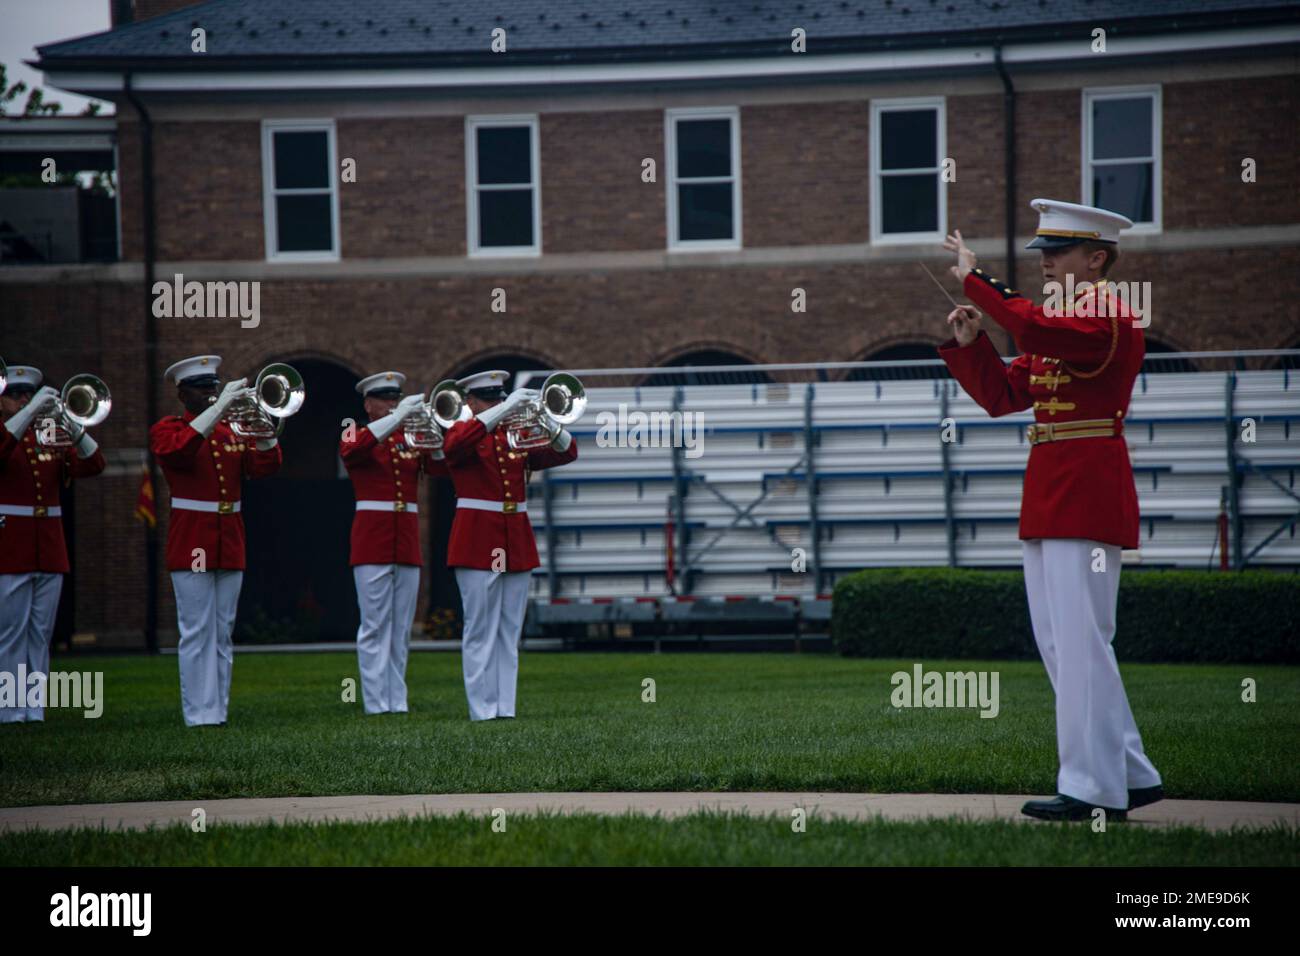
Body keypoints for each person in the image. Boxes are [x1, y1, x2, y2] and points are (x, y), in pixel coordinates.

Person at [938, 198, 1163, 822]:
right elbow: (1008, 394)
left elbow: (1033, 328)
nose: (1047, 264)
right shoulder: (1065, 323)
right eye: (1045, 254)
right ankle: (1130, 771)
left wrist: (975, 280)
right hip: (1053, 489)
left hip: (1087, 490)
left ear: (1097, 259)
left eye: (1059, 254)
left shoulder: (1110, 317)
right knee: (1064, 644)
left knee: (1082, 641)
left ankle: (1093, 788)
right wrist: (974, 343)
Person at [150, 355, 282, 726]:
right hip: (192, 537)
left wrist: (265, 428)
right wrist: (221, 406)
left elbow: (265, 467)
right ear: (182, 393)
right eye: (202, 388)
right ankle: (198, 713)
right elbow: (178, 453)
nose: (210, 393)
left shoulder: (230, 433)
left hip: (230, 537)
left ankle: (218, 709)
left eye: (214, 387)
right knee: (196, 630)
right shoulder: (169, 428)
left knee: (222, 630)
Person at [441, 371, 578, 721]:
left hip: (514, 535)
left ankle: (504, 706)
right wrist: (501, 412)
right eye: (488, 400)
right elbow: (453, 448)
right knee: (480, 629)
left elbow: (567, 452)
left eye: (498, 398)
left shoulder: (514, 436)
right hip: (477, 537)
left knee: (508, 630)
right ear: (471, 402)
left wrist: (547, 420)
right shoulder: (465, 431)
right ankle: (481, 709)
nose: (496, 404)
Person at [0, 366, 105, 722]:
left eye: (28, 394)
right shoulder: (6, 434)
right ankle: (10, 710)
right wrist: (29, 413)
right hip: (10, 542)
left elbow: (94, 463)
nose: (24, 400)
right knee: (10, 632)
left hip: (49, 543)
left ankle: (34, 709)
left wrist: (69, 420)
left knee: (39, 633)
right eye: (16, 395)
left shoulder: (49, 434)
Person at [340, 371, 448, 714]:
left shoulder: (407, 438)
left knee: (401, 627)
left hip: (405, 536)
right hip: (372, 536)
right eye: (385, 399)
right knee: (374, 625)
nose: (391, 404)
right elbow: (353, 451)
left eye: (395, 398)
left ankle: (396, 700)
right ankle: (374, 702)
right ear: (368, 404)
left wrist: (435, 434)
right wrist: (400, 416)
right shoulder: (353, 430)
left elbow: (440, 468)